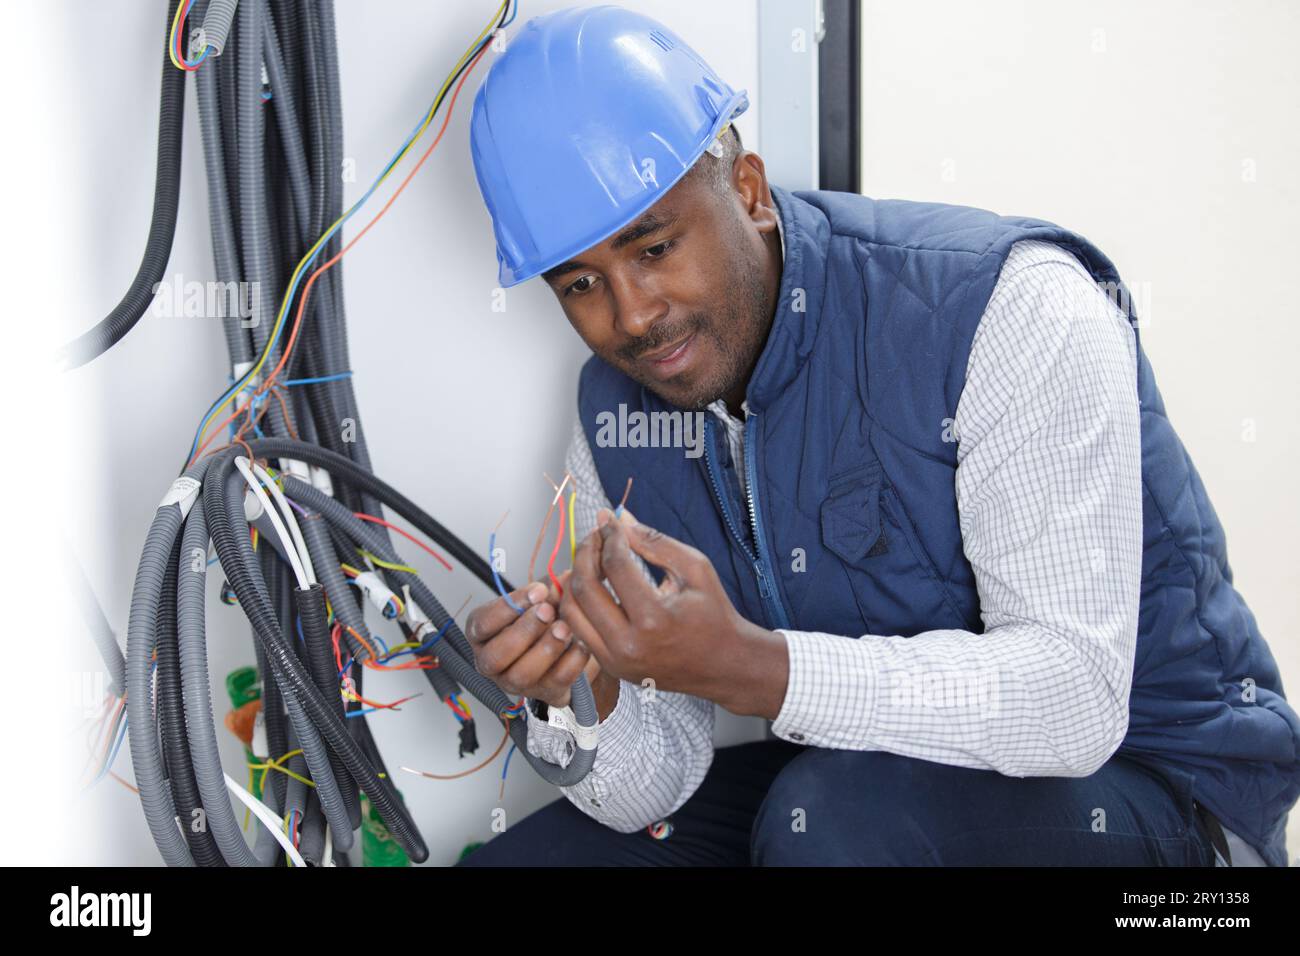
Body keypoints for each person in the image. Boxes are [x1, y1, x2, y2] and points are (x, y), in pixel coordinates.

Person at [457, 5, 1299, 866]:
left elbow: (1075, 703)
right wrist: (581, 687)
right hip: (847, 789)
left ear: (746, 188)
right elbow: (655, 786)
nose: (633, 315)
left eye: (657, 248)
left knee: (834, 823)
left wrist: (753, 668)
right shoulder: (616, 416)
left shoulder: (1006, 308)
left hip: (1161, 799)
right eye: (581, 284)